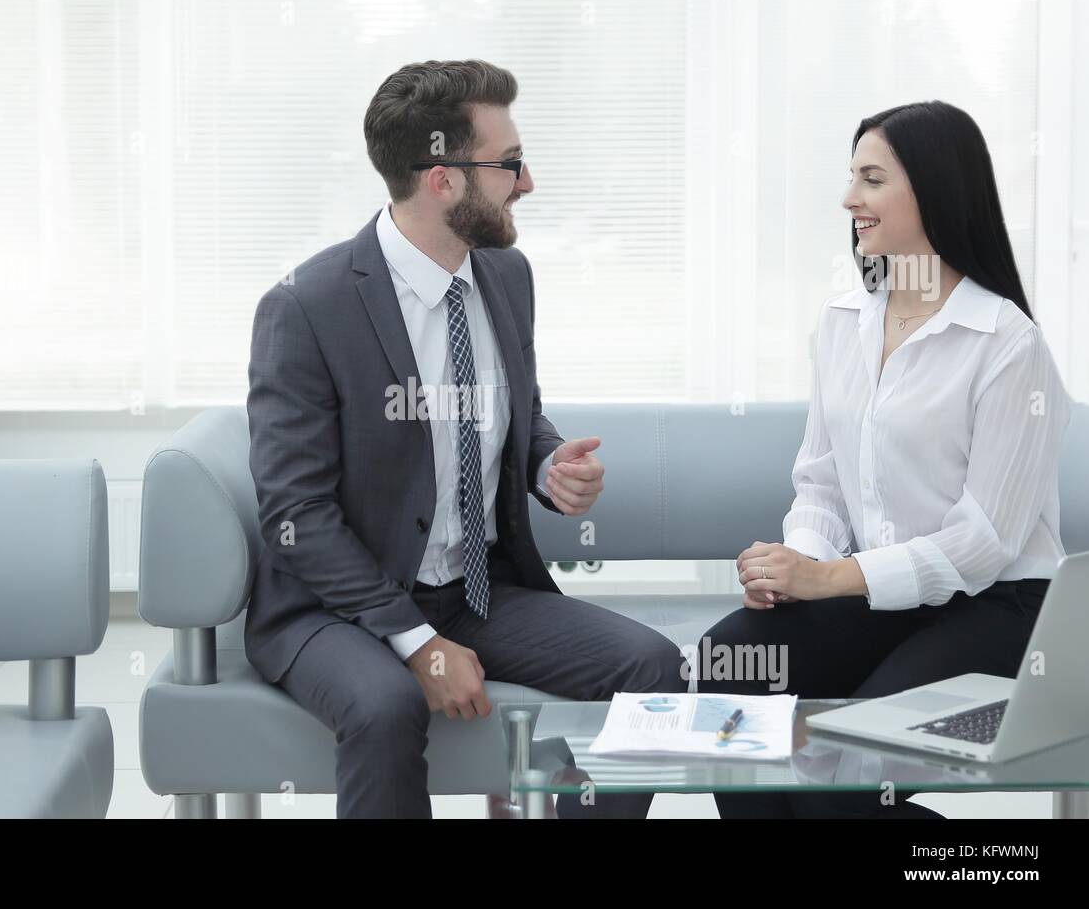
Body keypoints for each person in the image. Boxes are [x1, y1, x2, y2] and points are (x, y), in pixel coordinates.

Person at [245, 59, 687, 818]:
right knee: (386, 706)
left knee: (653, 665)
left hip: (478, 588)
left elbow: (521, 411)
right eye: (510, 164)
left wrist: (546, 465)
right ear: (443, 177)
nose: (528, 182)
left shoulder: (507, 276)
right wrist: (418, 641)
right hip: (338, 607)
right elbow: (298, 514)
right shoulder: (307, 307)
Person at [699, 101, 1071, 819]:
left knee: (844, 771)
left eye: (871, 179)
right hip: (873, 592)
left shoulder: (1007, 343)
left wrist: (829, 576)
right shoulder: (844, 321)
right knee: (725, 677)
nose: (849, 200)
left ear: (933, 189)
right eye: (852, 179)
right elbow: (820, 484)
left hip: (994, 605)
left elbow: (985, 540)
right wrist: (793, 568)